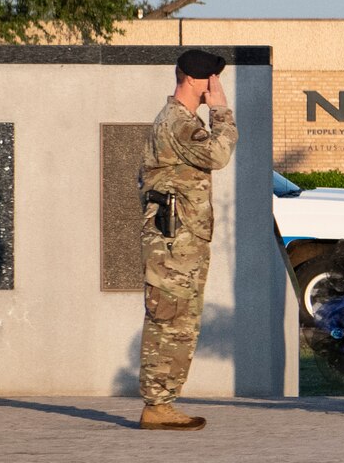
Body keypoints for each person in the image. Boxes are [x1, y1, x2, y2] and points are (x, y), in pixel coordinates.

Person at [137, 49, 238, 431]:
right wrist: (221, 111)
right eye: (212, 78)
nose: (216, 84)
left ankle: (163, 403)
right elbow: (218, 154)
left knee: (181, 321)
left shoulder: (181, 120)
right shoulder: (178, 122)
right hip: (173, 243)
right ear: (195, 80)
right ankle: (156, 404)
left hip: (182, 239)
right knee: (168, 318)